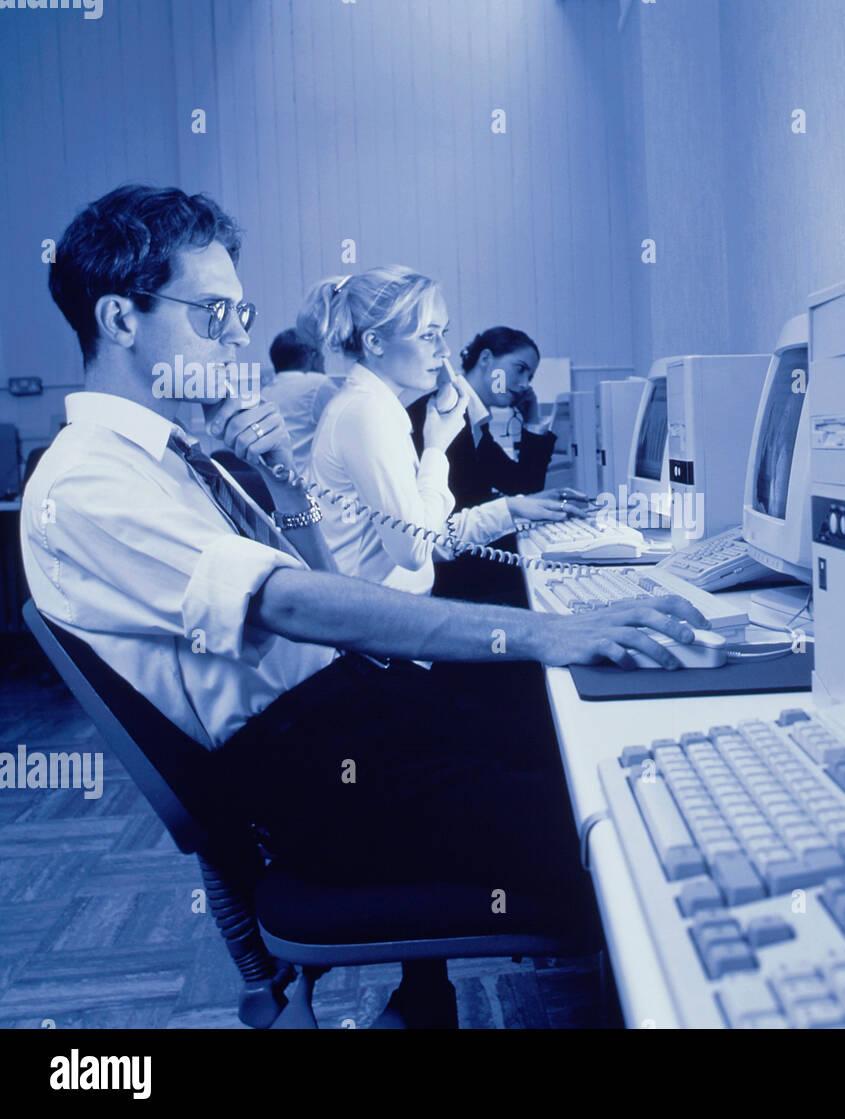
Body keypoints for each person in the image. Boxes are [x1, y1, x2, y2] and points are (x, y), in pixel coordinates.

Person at [21, 185, 707, 1026]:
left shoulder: (179, 458)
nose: (237, 338)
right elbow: (293, 603)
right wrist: (548, 630)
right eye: (214, 314)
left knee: (590, 742)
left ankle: (438, 998)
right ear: (120, 319)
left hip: (353, 709)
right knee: (626, 825)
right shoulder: (87, 479)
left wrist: (281, 481)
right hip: (316, 772)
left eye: (241, 314)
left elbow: (316, 574)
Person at [300, 269, 573, 597]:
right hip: (379, 616)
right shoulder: (366, 413)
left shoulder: (379, 407)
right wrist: (436, 447)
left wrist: (510, 510)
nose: (445, 351)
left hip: (395, 603)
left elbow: (429, 534)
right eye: (428, 336)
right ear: (374, 342)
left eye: (443, 333)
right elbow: (415, 549)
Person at [407, 327, 580, 606]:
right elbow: (457, 514)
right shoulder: (446, 411)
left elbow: (521, 485)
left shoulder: (474, 420)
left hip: (451, 558)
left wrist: (532, 420)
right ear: (486, 358)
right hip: (440, 571)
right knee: (553, 579)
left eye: (530, 377)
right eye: (520, 369)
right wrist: (516, 507)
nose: (524, 385)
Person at [259, 327, 337, 474]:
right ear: (312, 356)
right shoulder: (318, 383)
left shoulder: (266, 391)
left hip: (273, 477)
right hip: (306, 479)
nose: (323, 358)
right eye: (321, 353)